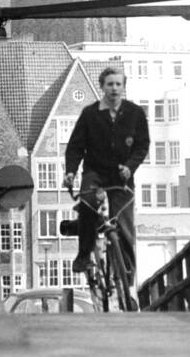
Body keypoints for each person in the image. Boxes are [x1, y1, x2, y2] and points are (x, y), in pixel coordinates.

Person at [62, 65, 149, 282]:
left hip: (122, 176)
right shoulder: (90, 114)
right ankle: (83, 255)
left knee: (125, 225)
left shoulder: (135, 113)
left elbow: (142, 145)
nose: (114, 88)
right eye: (110, 84)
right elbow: (75, 147)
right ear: (102, 87)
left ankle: (127, 276)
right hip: (95, 173)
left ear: (124, 87)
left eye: (118, 84)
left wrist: (130, 166)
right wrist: (71, 172)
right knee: (88, 204)